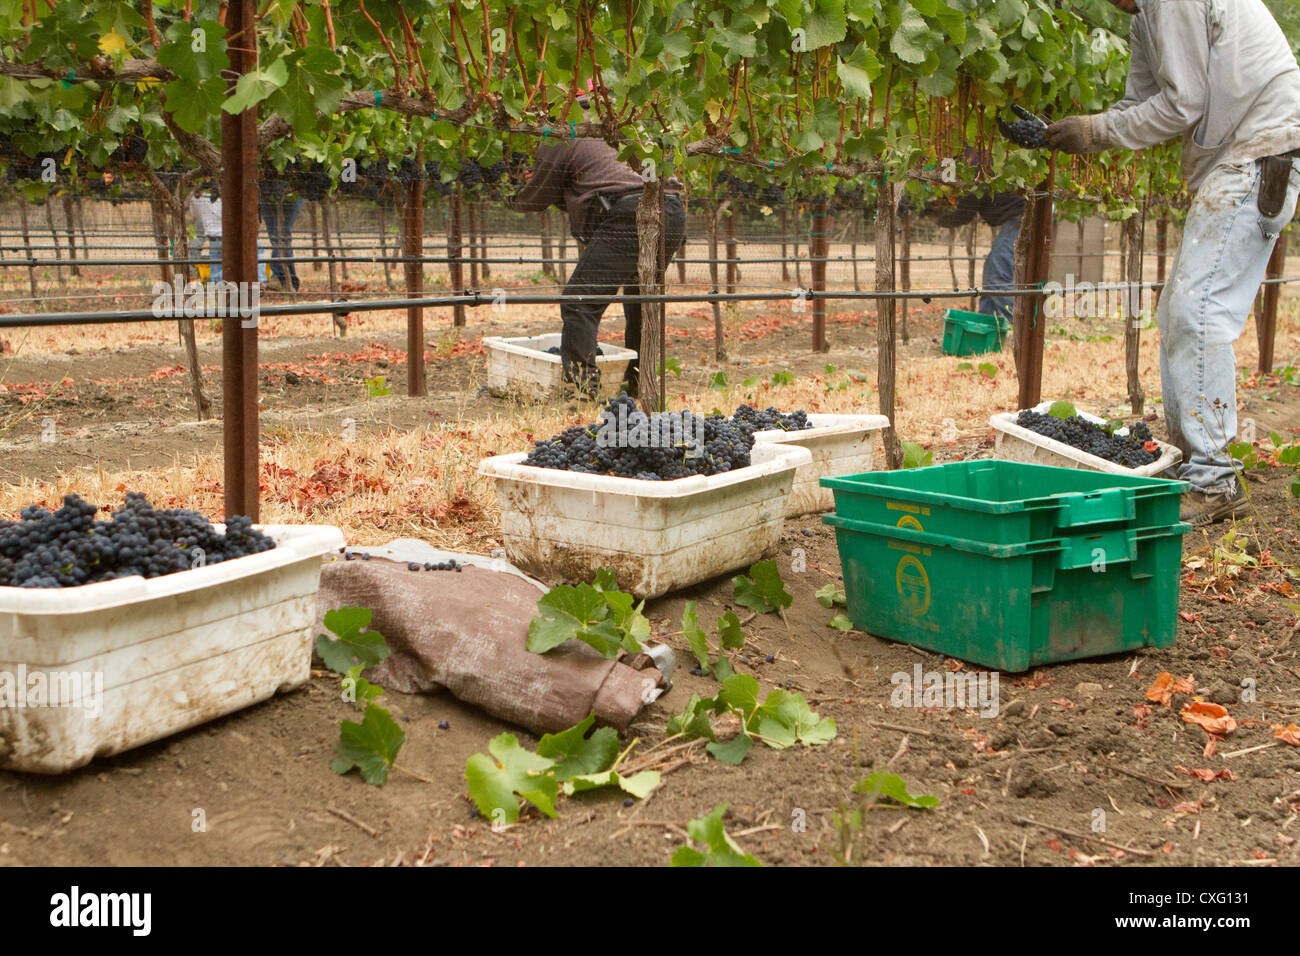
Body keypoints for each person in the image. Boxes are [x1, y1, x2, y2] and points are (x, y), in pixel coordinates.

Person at [1046, 0, 1300, 525]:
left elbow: (1183, 105)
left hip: (1259, 155)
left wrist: (1094, 131)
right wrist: (1085, 131)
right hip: (1242, 157)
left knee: (1197, 313)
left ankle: (1214, 480)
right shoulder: (1145, 16)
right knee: (1178, 312)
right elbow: (1141, 103)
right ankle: (1194, 464)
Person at [506, 136, 687, 398]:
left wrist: (511, 197)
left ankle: (582, 390)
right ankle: (639, 384)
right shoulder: (623, 122)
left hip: (631, 213)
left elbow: (538, 196)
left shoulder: (562, 133)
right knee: (641, 300)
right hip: (672, 211)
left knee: (579, 301)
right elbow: (595, 181)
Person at [931, 191, 1024, 323]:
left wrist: (938, 219)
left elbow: (965, 214)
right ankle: (986, 329)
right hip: (1017, 220)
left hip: (1019, 220)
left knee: (996, 278)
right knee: (990, 276)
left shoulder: (975, 181)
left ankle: (1026, 325)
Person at [259, 179, 304, 292]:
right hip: (266, 192)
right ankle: (287, 279)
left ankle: (282, 278)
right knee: (275, 236)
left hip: (289, 190)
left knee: (281, 233)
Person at [189, 183, 222, 284]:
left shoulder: (200, 201)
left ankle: (218, 285)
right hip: (217, 240)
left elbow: (194, 213)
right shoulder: (223, 199)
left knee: (217, 268)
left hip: (216, 240)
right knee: (219, 268)